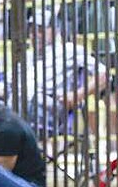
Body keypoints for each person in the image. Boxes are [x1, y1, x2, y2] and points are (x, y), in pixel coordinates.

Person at [25, 8, 109, 139]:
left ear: (55, 30)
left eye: (41, 30)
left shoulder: (69, 50)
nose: (35, 34)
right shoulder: (26, 56)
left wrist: (78, 94)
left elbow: (103, 73)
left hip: (47, 105)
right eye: (32, 30)